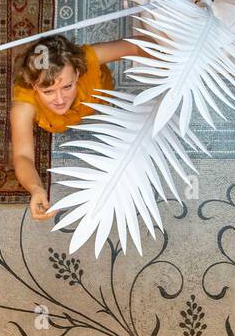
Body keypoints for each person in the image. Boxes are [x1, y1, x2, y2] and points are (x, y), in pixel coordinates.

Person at [11, 34, 142, 221]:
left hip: (99, 98)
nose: (59, 99)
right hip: (62, 122)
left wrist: (165, 65)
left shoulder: (88, 58)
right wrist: (36, 188)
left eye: (67, 86)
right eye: (47, 91)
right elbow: (22, 156)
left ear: (78, 73)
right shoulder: (23, 107)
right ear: (33, 86)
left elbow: (136, 46)